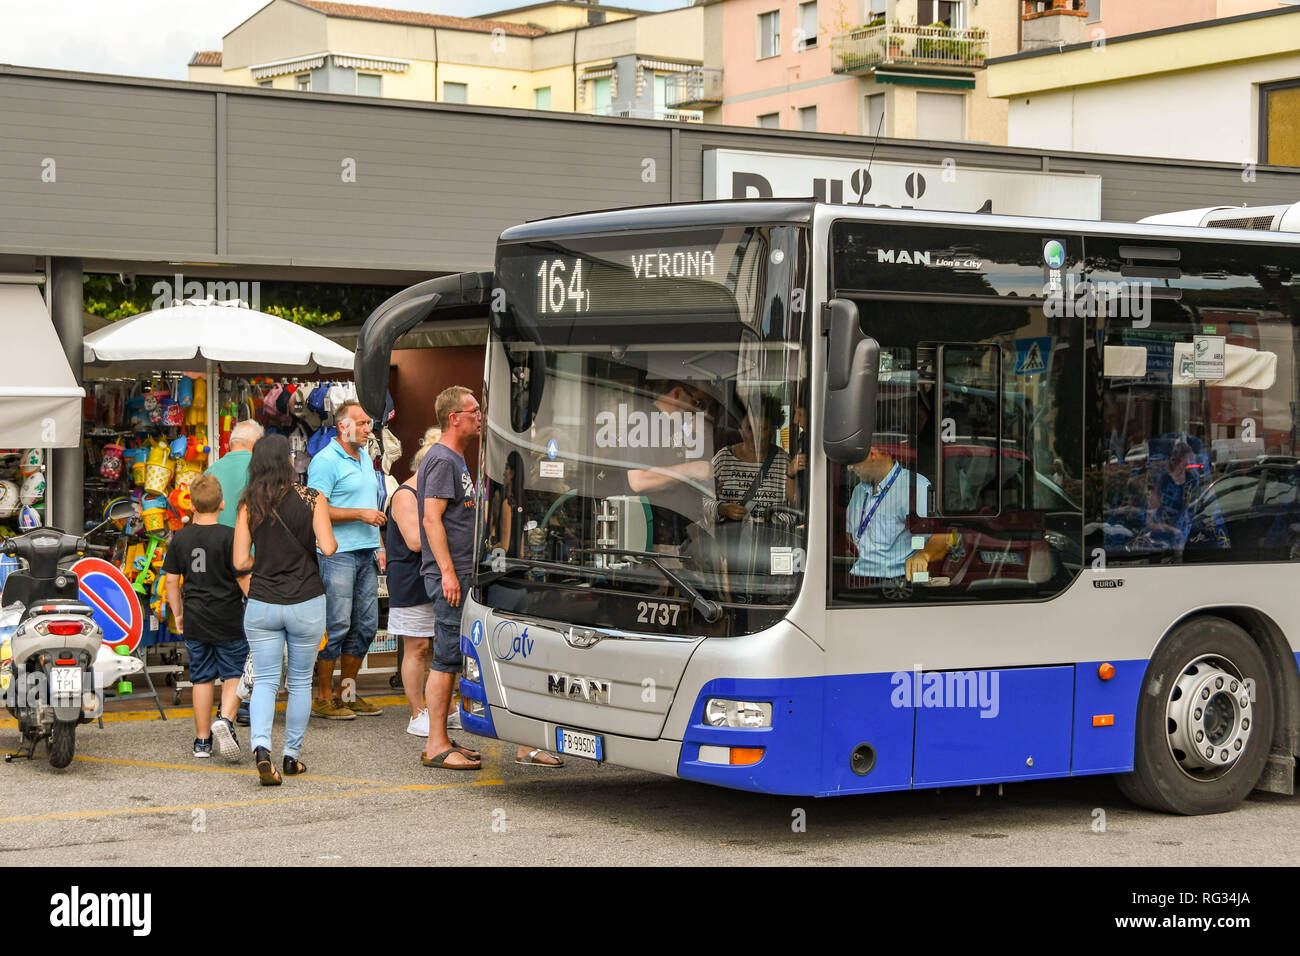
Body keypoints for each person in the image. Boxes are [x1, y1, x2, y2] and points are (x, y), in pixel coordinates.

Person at [418, 386, 562, 769]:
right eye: (474, 411)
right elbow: (431, 519)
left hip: (471, 572)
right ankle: (435, 745)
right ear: (454, 418)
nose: (480, 416)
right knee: (446, 658)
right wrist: (449, 573)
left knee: (484, 650)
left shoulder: (459, 460)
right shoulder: (441, 460)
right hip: (453, 576)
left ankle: (495, 741)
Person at [234, 434, 336, 786]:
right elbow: (330, 547)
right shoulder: (312, 498)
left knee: (264, 681)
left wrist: (262, 557)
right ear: (288, 462)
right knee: (300, 682)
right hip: (306, 601)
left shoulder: (248, 504)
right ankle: (291, 758)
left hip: (262, 603)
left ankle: (262, 749)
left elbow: (238, 560)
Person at [307, 400, 387, 720]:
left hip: (366, 551)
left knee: (366, 625)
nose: (369, 429)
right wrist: (359, 515)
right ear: (344, 427)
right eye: (363, 423)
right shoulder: (326, 460)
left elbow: (369, 506)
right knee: (337, 625)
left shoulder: (365, 457)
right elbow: (315, 508)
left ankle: (348, 694)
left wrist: (379, 545)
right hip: (336, 552)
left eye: (369, 423)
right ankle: (324, 697)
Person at [162, 473, 250, 762]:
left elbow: (172, 582)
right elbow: (242, 578)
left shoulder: (181, 539)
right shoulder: (230, 537)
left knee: (200, 678)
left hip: (196, 618)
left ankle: (202, 740)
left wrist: (178, 612)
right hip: (229, 617)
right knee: (232, 674)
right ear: (222, 504)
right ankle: (225, 720)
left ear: (192, 507)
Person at [387, 427, 454, 737]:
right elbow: (414, 541)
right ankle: (417, 713)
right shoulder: (405, 495)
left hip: (436, 579)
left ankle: (445, 708)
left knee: (442, 647)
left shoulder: (434, 497)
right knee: (416, 648)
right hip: (411, 580)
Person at [846, 442, 950, 585]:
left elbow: (942, 536)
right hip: (857, 577)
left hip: (897, 583)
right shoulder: (859, 491)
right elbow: (849, 534)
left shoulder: (916, 487)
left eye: (854, 461)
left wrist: (923, 555)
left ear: (873, 453)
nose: (850, 467)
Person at [206, 420, 264, 528]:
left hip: (217, 541)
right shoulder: (260, 467)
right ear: (257, 443)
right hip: (250, 542)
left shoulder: (210, 471)